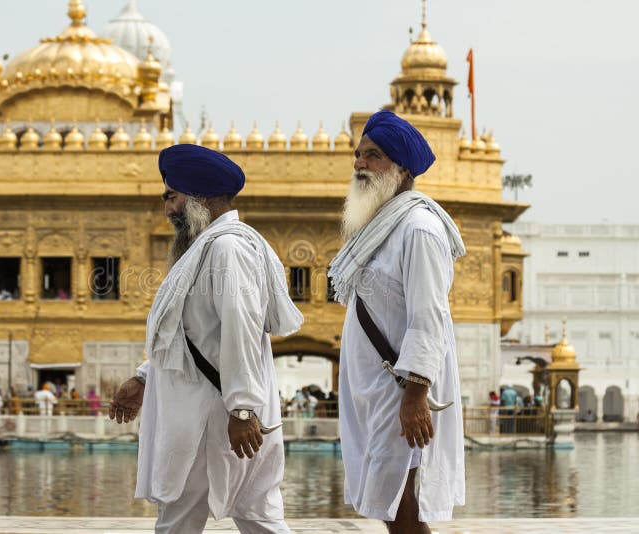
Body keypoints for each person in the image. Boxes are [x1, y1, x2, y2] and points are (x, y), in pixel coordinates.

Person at [109, 144, 303, 533]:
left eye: (172, 197)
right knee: (257, 520)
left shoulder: (228, 249)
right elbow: (190, 331)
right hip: (216, 415)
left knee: (183, 518)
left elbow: (241, 329)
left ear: (201, 197)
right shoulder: (207, 248)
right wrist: (144, 377)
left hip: (215, 419)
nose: (167, 210)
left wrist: (244, 409)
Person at [328, 110, 466, 531]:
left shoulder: (418, 228)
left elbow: (429, 318)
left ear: (402, 169)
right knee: (394, 509)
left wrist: (415, 394)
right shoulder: (380, 228)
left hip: (402, 391)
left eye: (373, 156)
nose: (360, 165)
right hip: (380, 392)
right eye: (358, 155)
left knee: (404, 510)